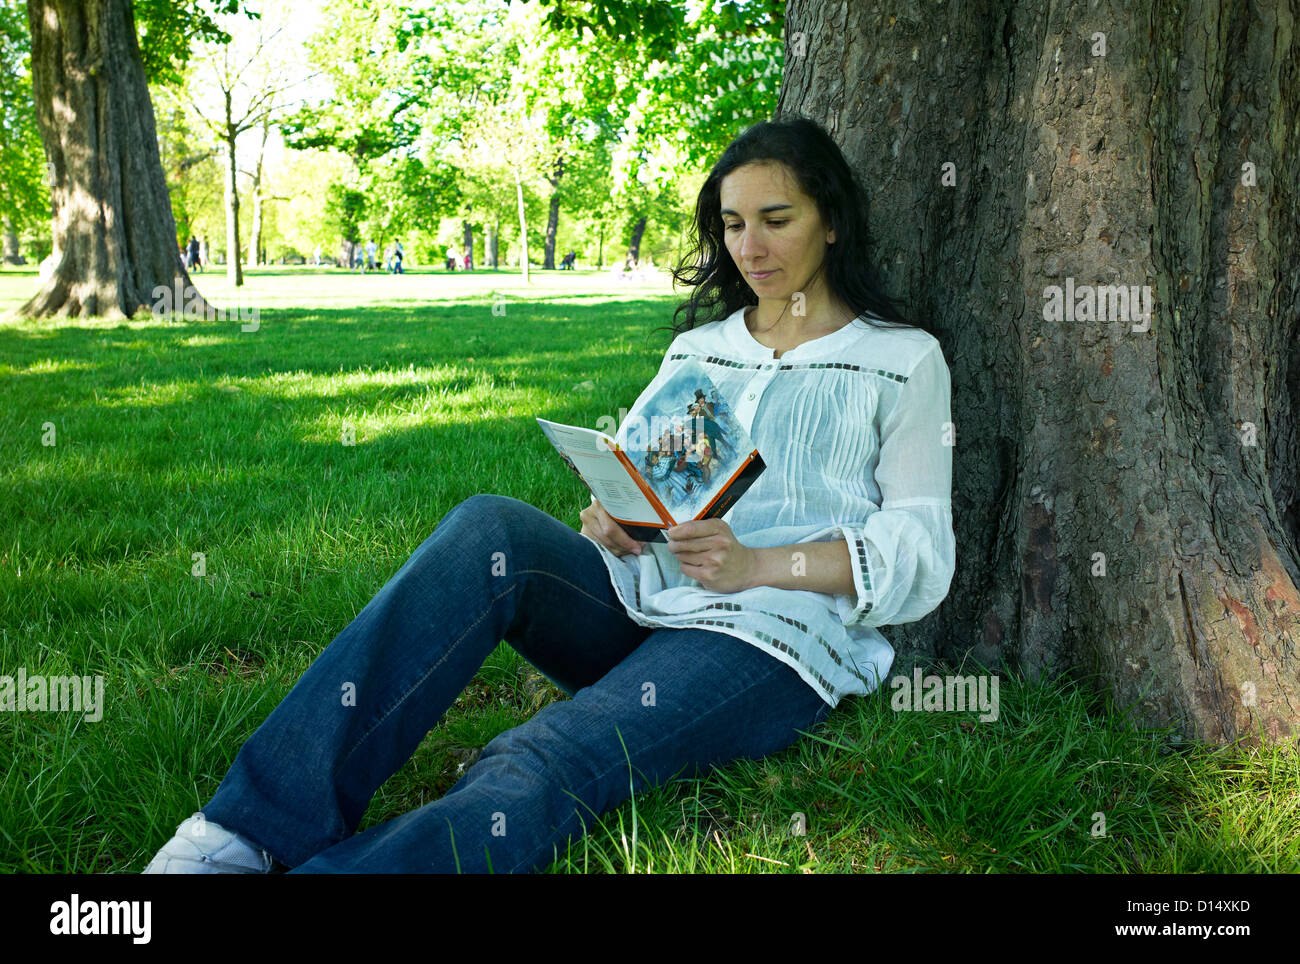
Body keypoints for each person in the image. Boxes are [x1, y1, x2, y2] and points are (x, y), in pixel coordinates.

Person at [142, 116, 955, 875]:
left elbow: (920, 549)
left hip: (766, 640)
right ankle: (237, 836)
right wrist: (615, 519)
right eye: (734, 224)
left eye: (777, 219)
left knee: (541, 759)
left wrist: (758, 565)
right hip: (643, 600)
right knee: (487, 527)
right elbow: (642, 475)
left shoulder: (900, 360)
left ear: (833, 220)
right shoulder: (703, 348)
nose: (751, 246)